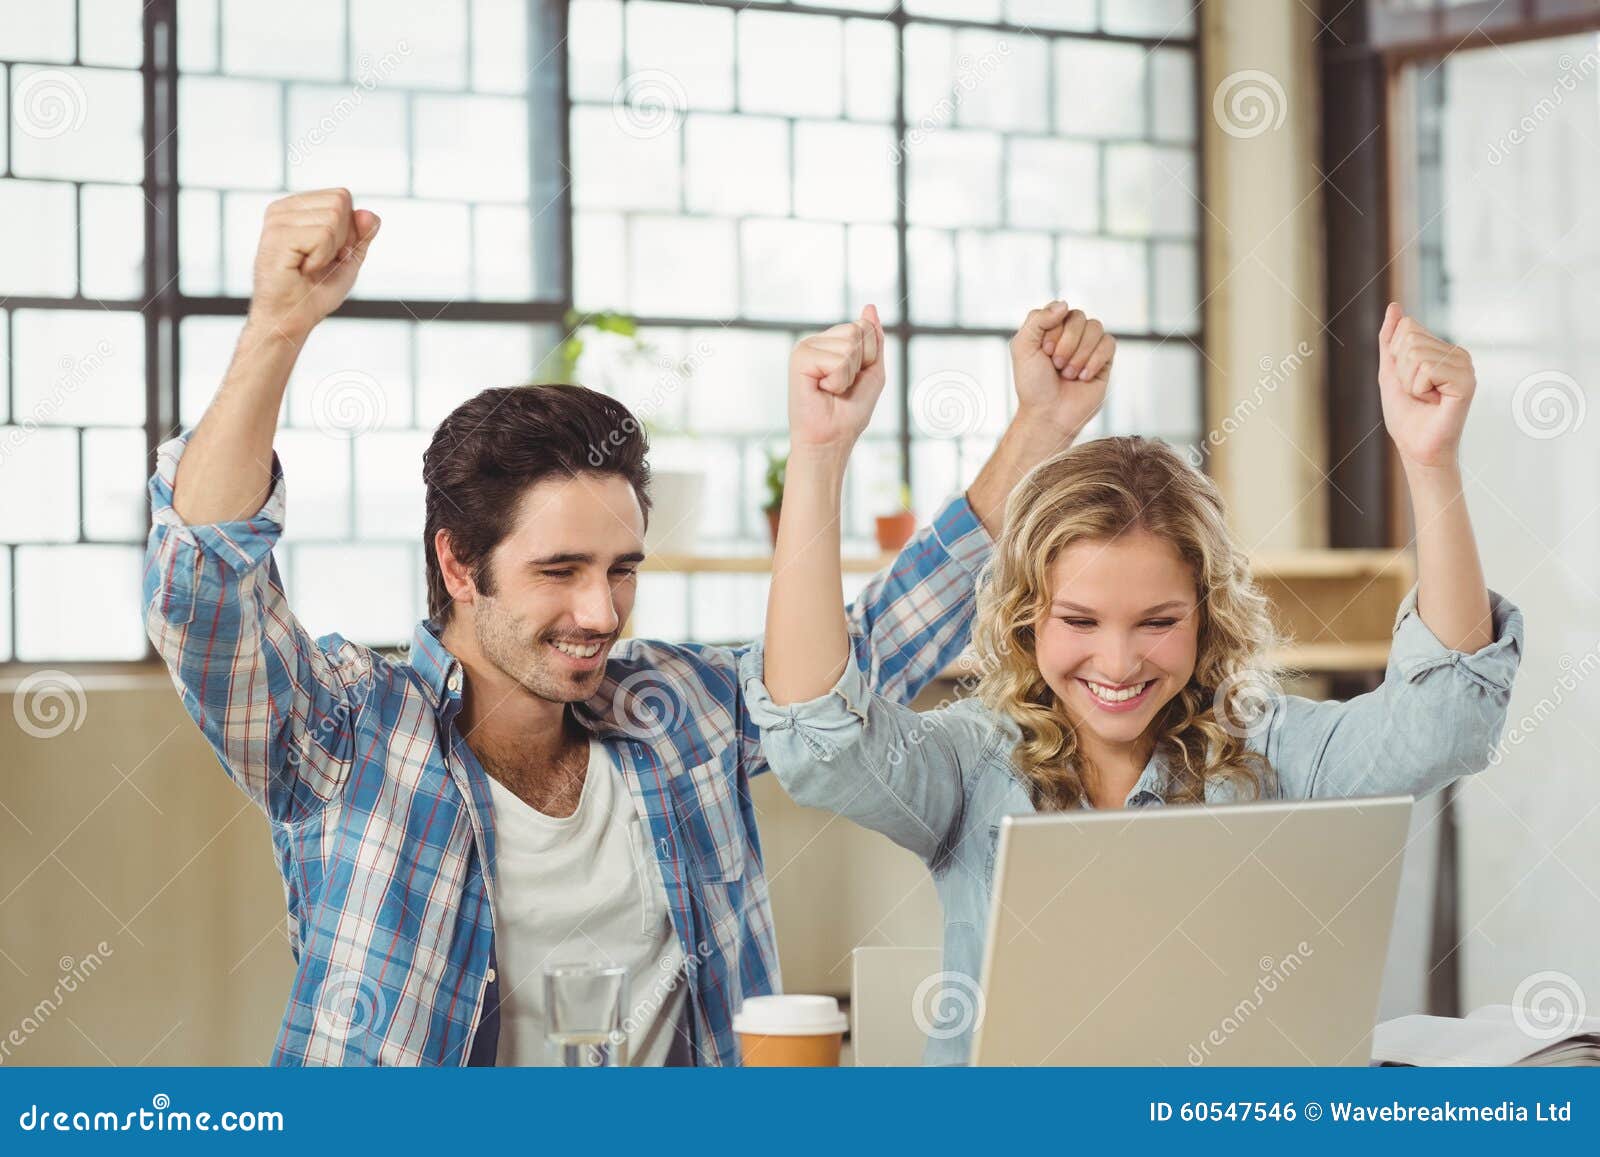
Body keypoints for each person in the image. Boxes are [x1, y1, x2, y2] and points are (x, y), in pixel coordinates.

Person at [141, 188, 1092, 1065]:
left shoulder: (677, 711)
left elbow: (869, 649)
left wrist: (1039, 428)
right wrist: (277, 327)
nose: (600, 614)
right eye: (559, 571)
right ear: (458, 564)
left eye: (622, 569)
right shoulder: (346, 732)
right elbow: (207, 588)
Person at [743, 300, 1524, 1064]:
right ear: (1027, 617)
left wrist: (1431, 465)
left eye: (1157, 622)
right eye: (1079, 620)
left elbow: (1445, 724)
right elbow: (821, 743)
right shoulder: (970, 761)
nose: (1117, 665)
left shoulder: (1275, 748)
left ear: (1207, 616)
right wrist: (818, 454)